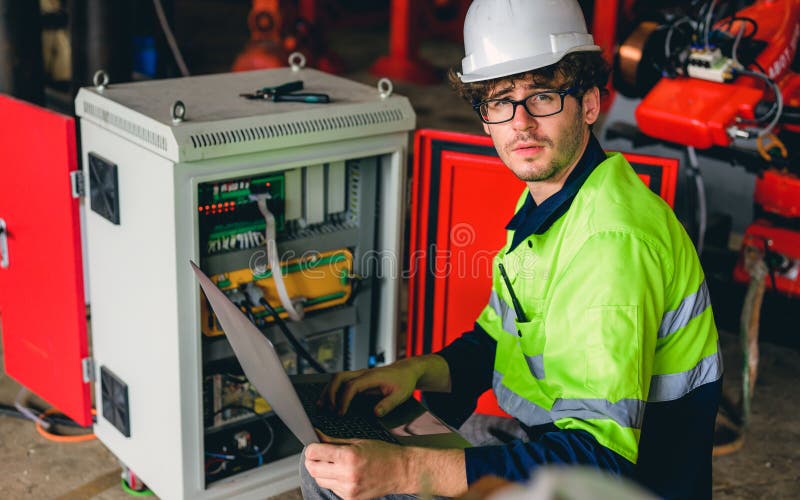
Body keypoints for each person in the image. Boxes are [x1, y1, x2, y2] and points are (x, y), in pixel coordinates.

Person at [301, 0, 723, 499]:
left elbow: (603, 460)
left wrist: (407, 471)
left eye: (542, 96)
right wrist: (415, 370)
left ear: (589, 103)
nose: (520, 122)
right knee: (333, 463)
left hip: (619, 483)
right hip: (551, 442)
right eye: (500, 101)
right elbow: (496, 339)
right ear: (485, 118)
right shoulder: (552, 202)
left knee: (359, 482)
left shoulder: (611, 243)